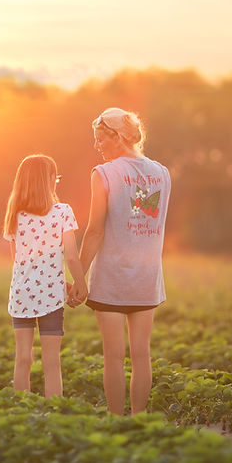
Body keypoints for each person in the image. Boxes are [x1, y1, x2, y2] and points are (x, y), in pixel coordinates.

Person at [67, 107, 171, 415]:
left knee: (113, 357)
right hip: (147, 279)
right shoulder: (162, 173)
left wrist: (80, 279)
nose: (97, 146)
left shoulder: (104, 174)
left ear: (117, 138)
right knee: (142, 356)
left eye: (100, 139)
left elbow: (95, 231)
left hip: (112, 279)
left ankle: (116, 423)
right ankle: (138, 421)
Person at [3, 154, 84, 397]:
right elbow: (71, 256)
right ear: (48, 180)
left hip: (22, 296)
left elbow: (17, 260)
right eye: (55, 177)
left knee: (23, 359)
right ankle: (54, 415)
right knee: (52, 363)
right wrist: (80, 284)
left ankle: (20, 412)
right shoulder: (63, 212)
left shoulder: (15, 215)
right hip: (50, 297)